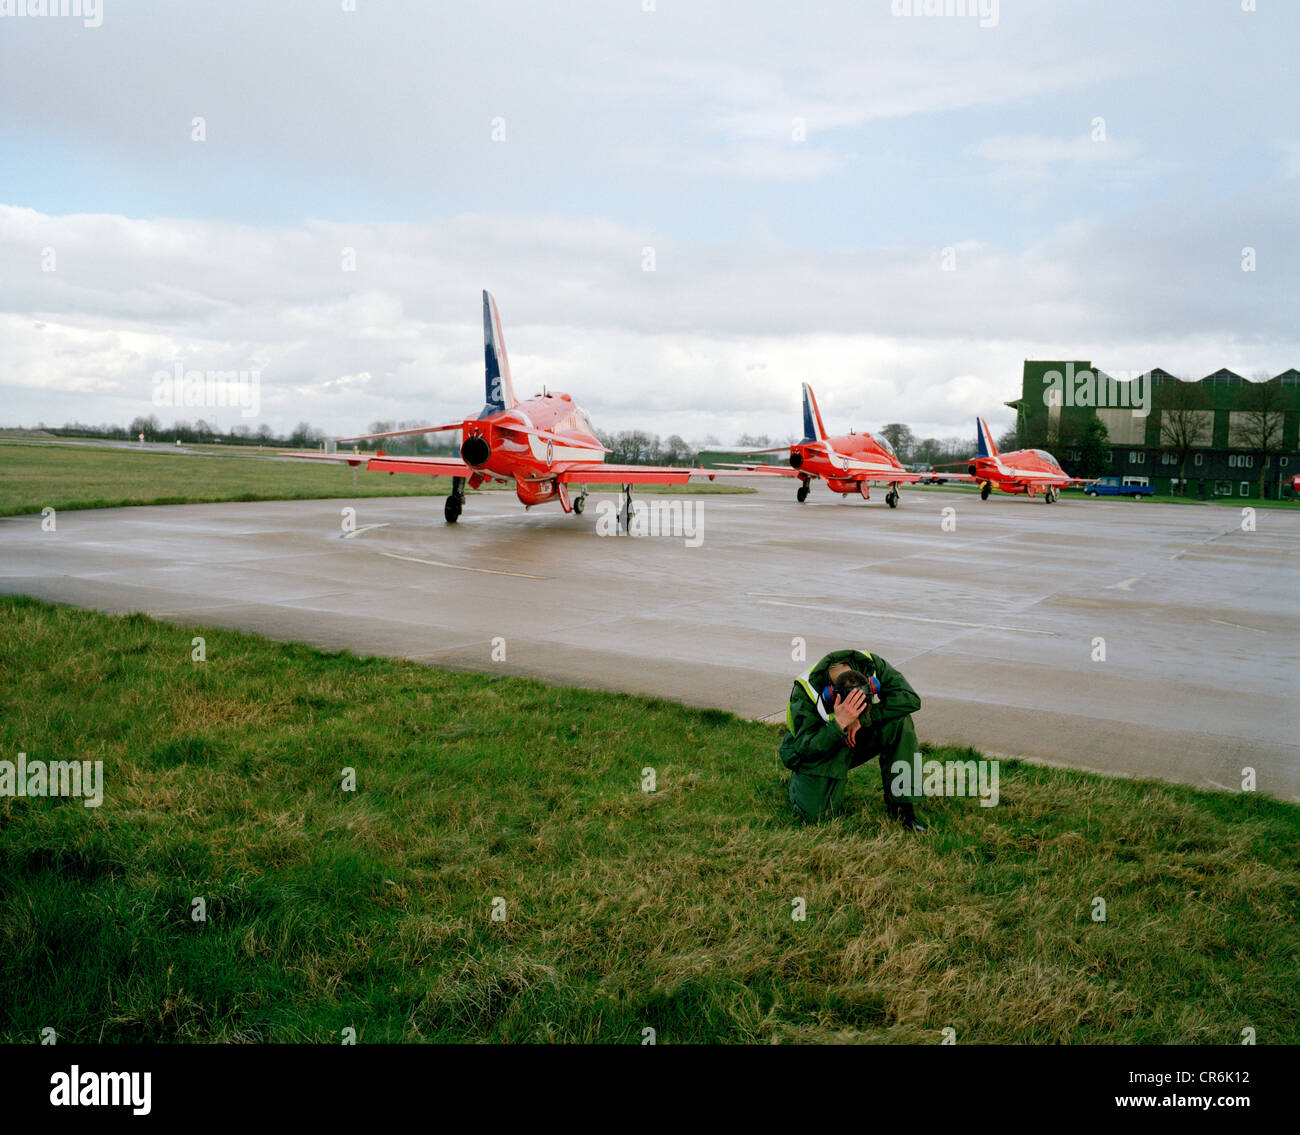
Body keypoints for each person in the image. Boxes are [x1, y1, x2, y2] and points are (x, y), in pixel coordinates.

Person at [778, 648, 926, 830]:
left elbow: (910, 699)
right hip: (817, 746)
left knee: (900, 722)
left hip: (855, 736)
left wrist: (861, 719)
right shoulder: (806, 689)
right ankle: (796, 784)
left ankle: (903, 808)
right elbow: (805, 747)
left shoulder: (869, 664)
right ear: (831, 696)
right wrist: (839, 723)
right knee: (815, 818)